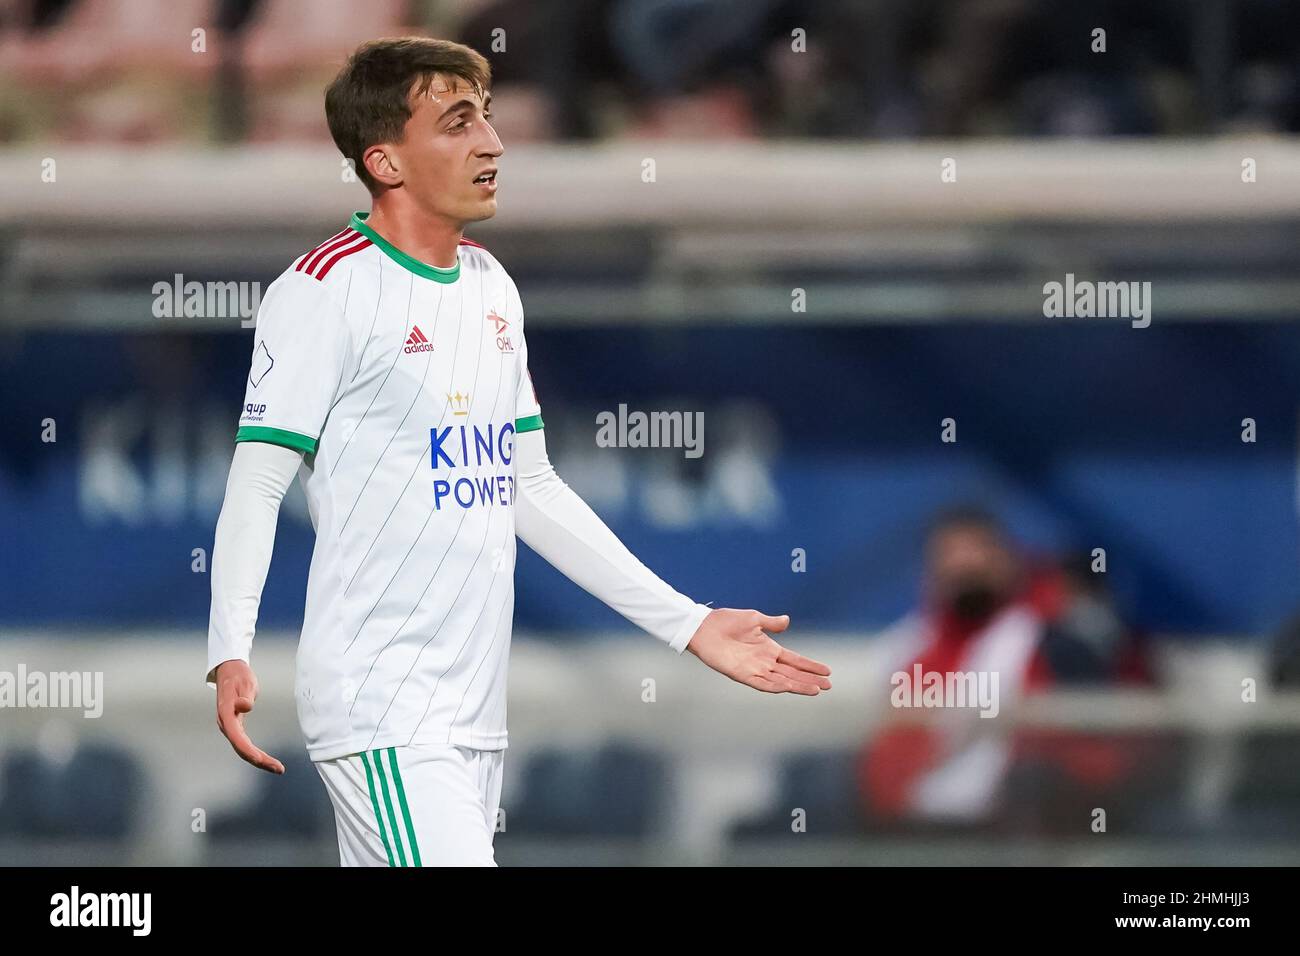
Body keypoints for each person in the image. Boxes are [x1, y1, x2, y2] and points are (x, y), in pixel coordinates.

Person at [205, 36, 830, 867]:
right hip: (385, 704)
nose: (493, 144)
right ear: (385, 161)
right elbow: (257, 480)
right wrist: (229, 646)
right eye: (458, 123)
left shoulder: (493, 286)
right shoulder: (324, 289)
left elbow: (527, 487)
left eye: (489, 120)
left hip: (471, 712)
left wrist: (689, 626)